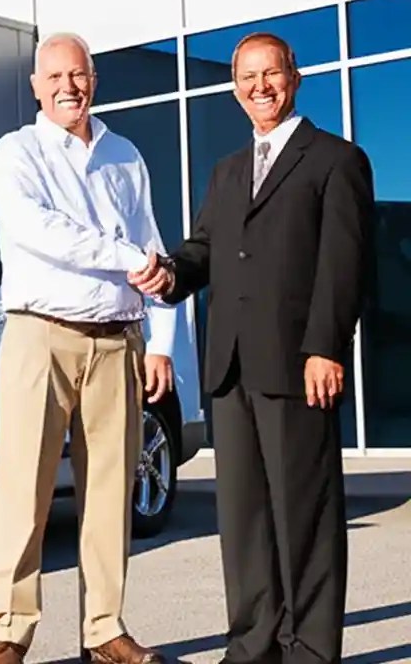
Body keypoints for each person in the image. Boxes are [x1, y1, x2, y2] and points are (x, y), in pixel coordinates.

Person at [131, 32, 374, 664]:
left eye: (270, 73)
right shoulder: (227, 171)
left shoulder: (335, 160)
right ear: (235, 88)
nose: (259, 86)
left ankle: (311, 650)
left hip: (298, 364)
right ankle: (254, 644)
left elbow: (342, 264)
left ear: (294, 76)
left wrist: (326, 346)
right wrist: (171, 273)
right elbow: (206, 250)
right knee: (243, 523)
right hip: (230, 368)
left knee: (306, 517)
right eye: (247, 77)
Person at [0, 31, 176, 664]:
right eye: (56, 76)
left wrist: (162, 339)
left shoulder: (125, 155)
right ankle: (8, 634)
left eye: (80, 74)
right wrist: (129, 261)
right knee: (23, 490)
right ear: (36, 87)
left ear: (94, 80)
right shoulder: (17, 153)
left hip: (119, 341)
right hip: (42, 336)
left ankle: (104, 629)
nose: (70, 85)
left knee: (112, 493)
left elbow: (154, 245)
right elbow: (43, 232)